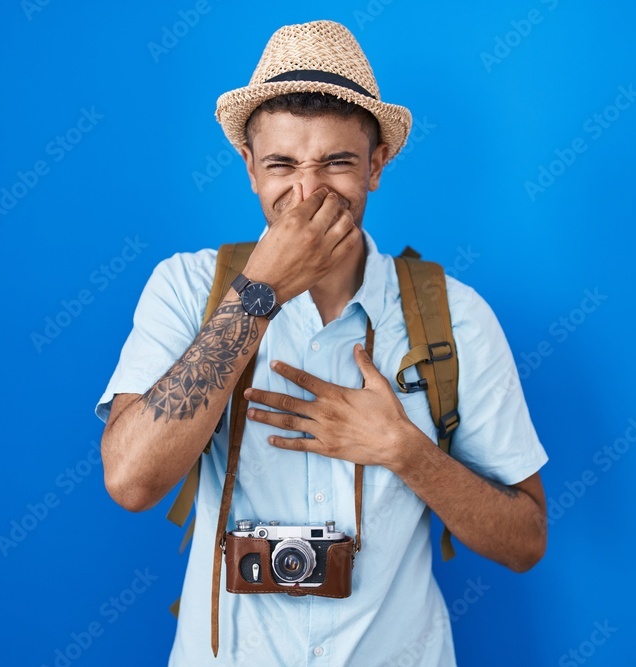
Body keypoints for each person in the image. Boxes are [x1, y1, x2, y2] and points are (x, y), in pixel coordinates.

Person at [95, 19, 548, 666]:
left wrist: (405, 451)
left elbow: (526, 539)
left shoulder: (455, 316)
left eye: (336, 161)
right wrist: (259, 293)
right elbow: (132, 479)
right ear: (250, 168)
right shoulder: (186, 288)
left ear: (376, 166)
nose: (306, 193)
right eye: (281, 163)